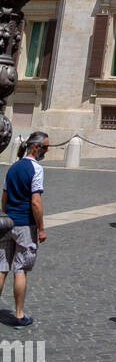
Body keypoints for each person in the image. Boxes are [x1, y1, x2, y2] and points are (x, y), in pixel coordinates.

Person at [0, 131, 49, 327]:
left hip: (7, 223)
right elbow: (35, 202)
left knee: (1, 268)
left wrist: (8, 213)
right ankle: (19, 315)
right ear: (35, 148)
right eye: (45, 147)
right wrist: (41, 228)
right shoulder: (36, 169)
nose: (46, 151)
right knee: (20, 269)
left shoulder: (12, 168)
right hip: (24, 225)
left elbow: (3, 199)